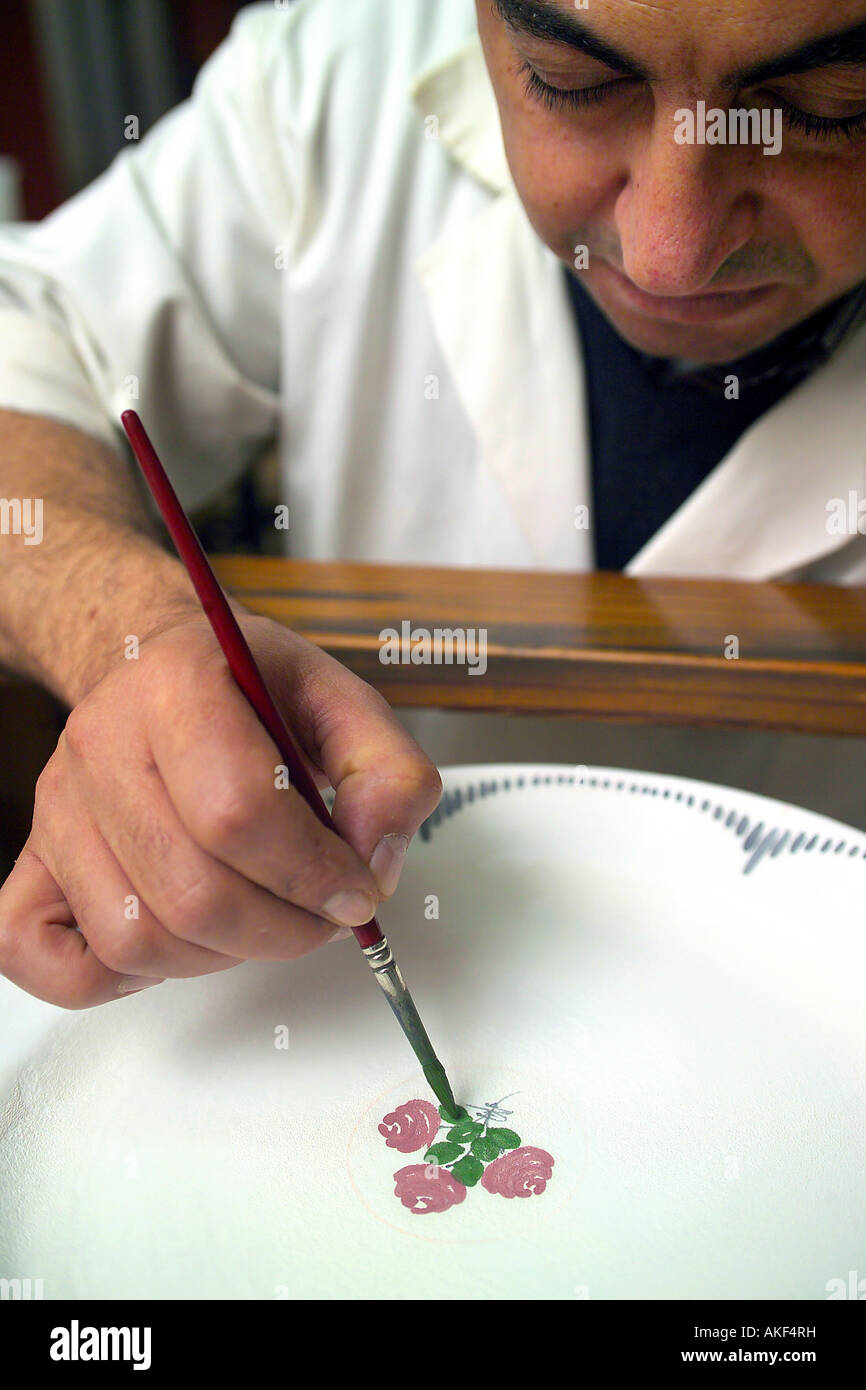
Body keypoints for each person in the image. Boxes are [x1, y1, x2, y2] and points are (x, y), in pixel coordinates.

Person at [1, 0, 865, 1008]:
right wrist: (122, 630)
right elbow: (30, 337)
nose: (663, 253)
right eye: (571, 84)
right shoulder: (334, 84)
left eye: (826, 108)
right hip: (329, 1013)